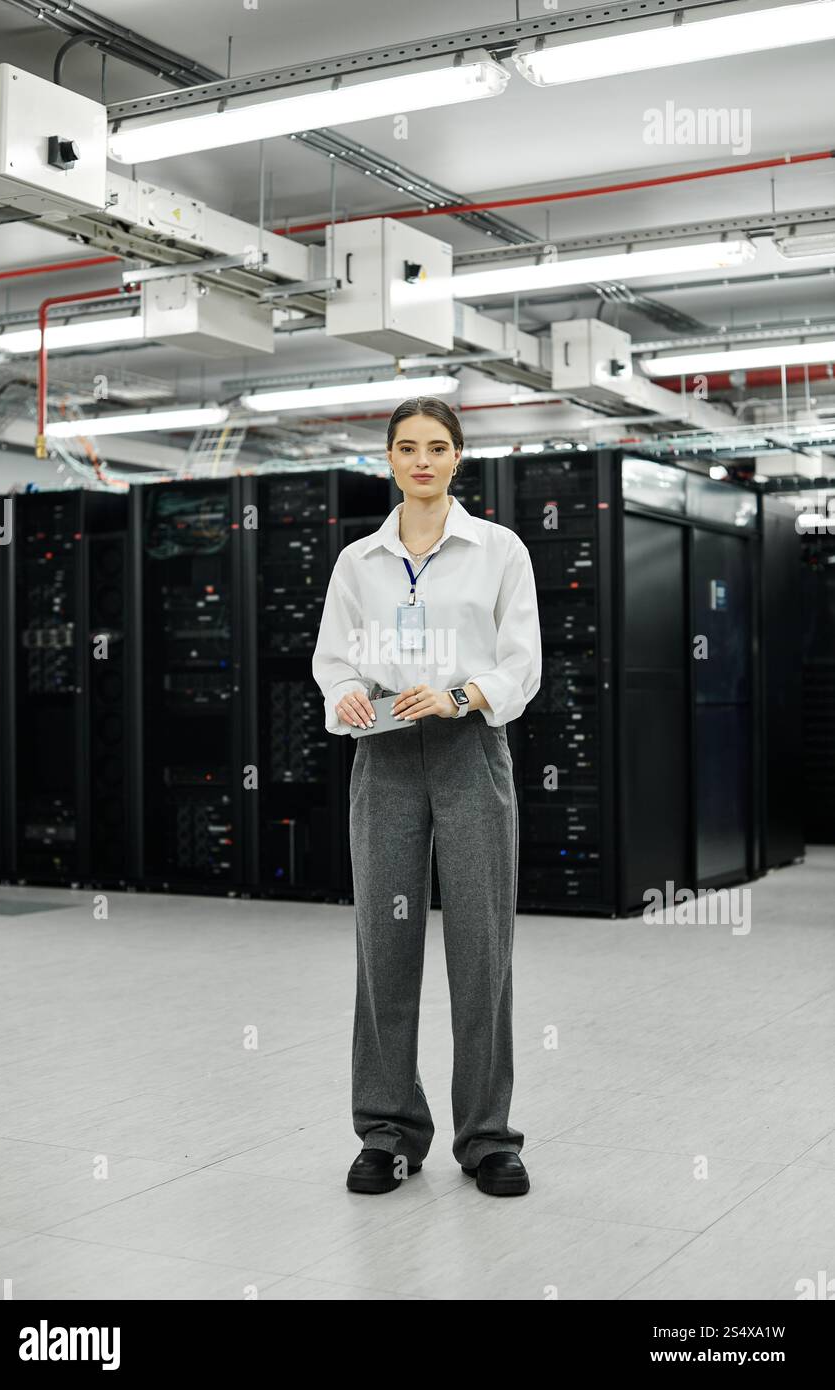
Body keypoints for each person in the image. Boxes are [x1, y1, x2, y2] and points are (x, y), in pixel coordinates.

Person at [312, 396, 542, 1197]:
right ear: (387, 457)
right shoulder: (358, 562)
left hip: (468, 747)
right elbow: (333, 658)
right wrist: (342, 692)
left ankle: (487, 1137)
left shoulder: (499, 551)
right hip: (383, 754)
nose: (421, 460)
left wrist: (463, 694)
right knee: (385, 945)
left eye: (437, 447)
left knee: (481, 945)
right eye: (406, 447)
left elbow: (523, 662)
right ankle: (387, 1131)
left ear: (457, 458)